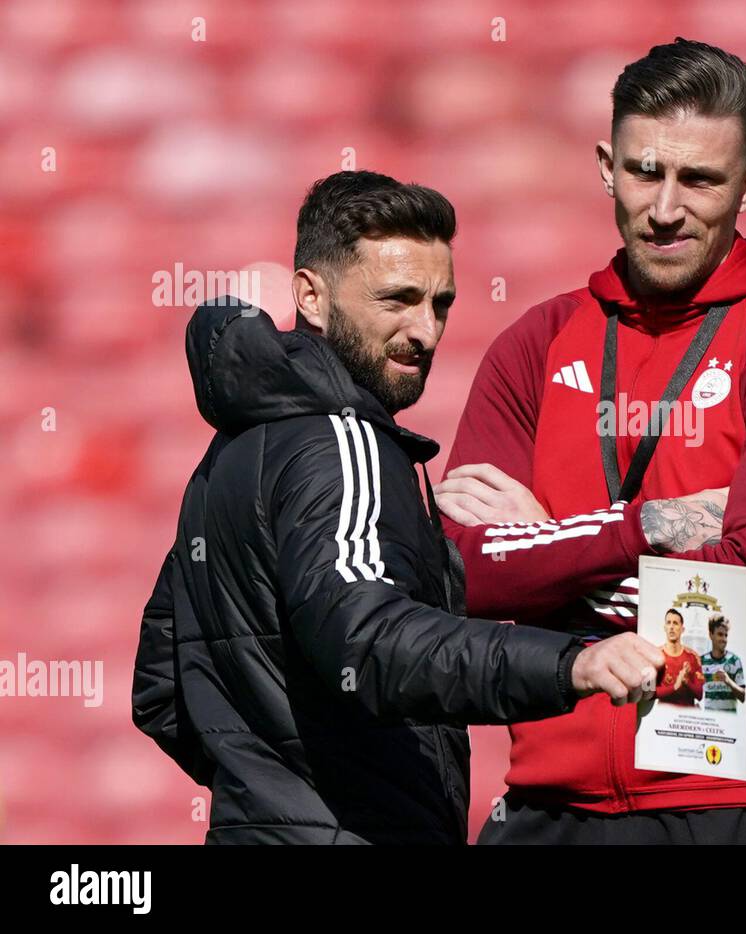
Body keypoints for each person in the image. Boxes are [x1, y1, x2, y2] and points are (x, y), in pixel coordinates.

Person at [131, 171, 664, 844]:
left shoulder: (233, 451)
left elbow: (161, 686)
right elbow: (369, 638)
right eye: (398, 300)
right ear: (310, 297)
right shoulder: (345, 440)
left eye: (441, 303)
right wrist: (571, 663)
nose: (426, 330)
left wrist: (265, 794)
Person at [435, 38, 746, 845]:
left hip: (728, 805)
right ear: (605, 165)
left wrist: (545, 551)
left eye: (700, 179)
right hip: (541, 810)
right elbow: (458, 575)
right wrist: (650, 532)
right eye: (644, 172)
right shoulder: (536, 340)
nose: (666, 209)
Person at [655, 609, 704, 705]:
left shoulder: (693, 657)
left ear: (682, 629)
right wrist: (675, 686)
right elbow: (649, 693)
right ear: (665, 627)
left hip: (686, 717)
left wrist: (686, 682)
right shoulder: (656, 655)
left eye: (675, 623)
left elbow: (700, 695)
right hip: (664, 715)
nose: (671, 627)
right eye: (668, 623)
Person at [699, 615, 745, 712]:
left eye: (726, 635)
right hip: (710, 722)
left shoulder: (734, 660)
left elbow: (743, 696)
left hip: (729, 722)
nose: (724, 639)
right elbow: (695, 692)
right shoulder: (701, 661)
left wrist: (728, 681)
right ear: (711, 635)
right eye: (720, 634)